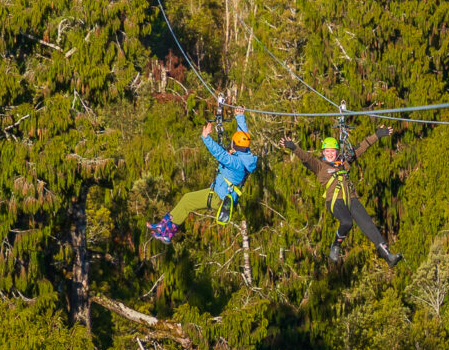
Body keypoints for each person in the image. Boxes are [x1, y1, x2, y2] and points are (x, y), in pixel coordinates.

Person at [279, 128, 402, 268]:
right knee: (347, 222)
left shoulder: (344, 161)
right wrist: (293, 147)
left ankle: (388, 256)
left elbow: (362, 147)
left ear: (337, 152)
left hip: (351, 198)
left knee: (369, 225)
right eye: (327, 151)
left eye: (332, 151)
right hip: (334, 200)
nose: (330, 154)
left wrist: (378, 134)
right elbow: (306, 157)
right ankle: (336, 245)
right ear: (323, 152)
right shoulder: (319, 166)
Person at [147, 105, 257, 244]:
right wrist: (240, 116)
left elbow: (221, 155)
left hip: (219, 196)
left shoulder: (235, 162)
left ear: (234, 145)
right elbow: (243, 136)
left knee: (187, 201)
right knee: (187, 199)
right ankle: (164, 226)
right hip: (222, 193)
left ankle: (167, 232)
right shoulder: (246, 155)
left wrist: (206, 138)